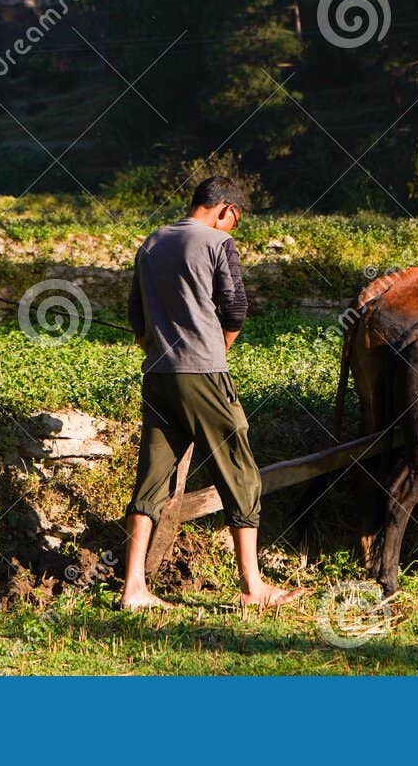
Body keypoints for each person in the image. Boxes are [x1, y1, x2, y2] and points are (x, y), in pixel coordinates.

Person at [119, 175, 306, 610]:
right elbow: (235, 306)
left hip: (158, 375)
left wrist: (156, 345)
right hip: (202, 374)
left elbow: (134, 311)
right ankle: (252, 586)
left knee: (150, 481)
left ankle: (134, 588)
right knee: (240, 470)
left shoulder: (151, 241)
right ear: (227, 210)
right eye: (233, 222)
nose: (230, 230)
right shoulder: (216, 243)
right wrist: (219, 346)